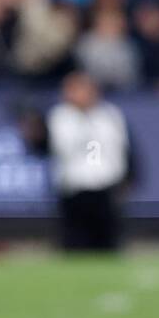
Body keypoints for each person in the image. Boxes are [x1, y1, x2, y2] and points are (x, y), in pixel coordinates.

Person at [45, 72, 135, 252]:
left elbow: (124, 148)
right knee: (75, 243)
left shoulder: (110, 114)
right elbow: (60, 148)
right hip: (74, 188)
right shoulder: (60, 116)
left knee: (108, 242)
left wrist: (128, 178)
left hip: (105, 188)